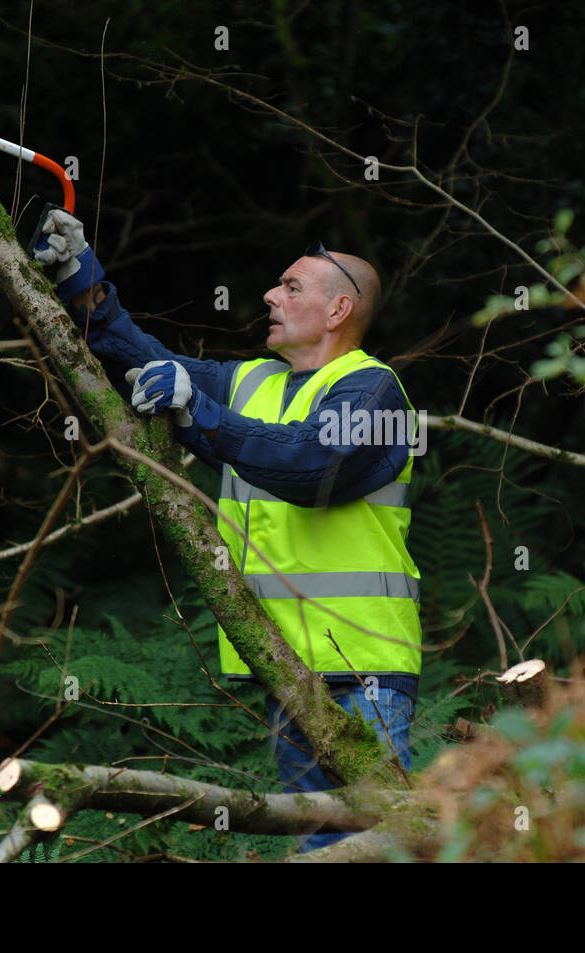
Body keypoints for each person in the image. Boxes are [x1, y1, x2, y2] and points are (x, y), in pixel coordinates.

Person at [32, 209, 423, 852]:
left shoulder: (371, 390)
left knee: (367, 847)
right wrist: (82, 279)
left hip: (364, 668)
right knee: (322, 844)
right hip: (284, 666)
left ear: (337, 311)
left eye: (292, 287)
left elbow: (310, 465)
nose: (271, 295)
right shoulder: (253, 382)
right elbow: (136, 352)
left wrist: (199, 411)